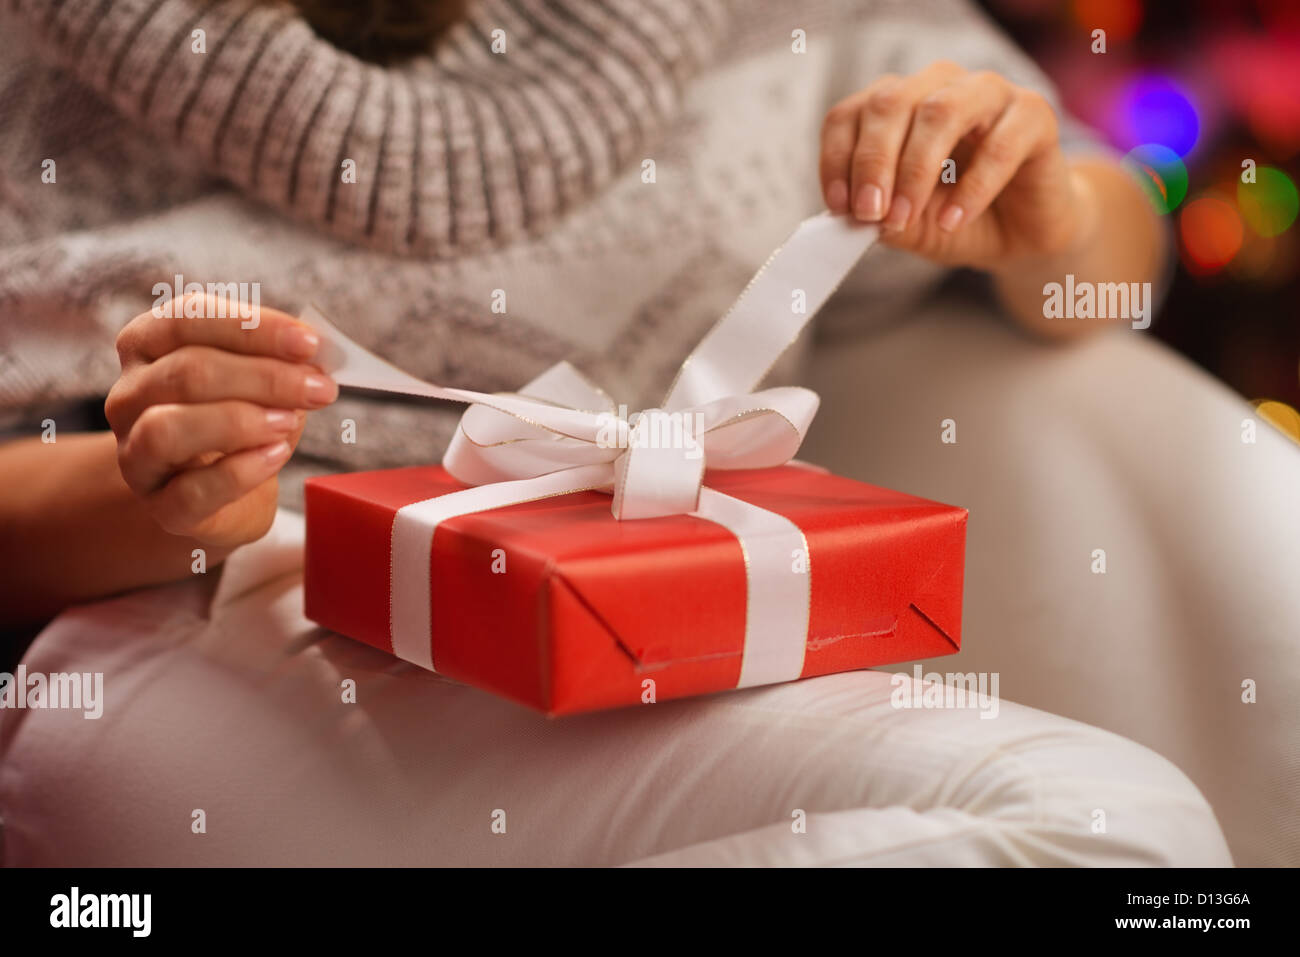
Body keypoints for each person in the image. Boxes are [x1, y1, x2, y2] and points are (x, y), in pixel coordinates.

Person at [0, 0, 1242, 865]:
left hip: (666, 602)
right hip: (195, 620)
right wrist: (176, 495)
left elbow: (1105, 265)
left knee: (1116, 833)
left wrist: (1057, 221)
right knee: (1111, 832)